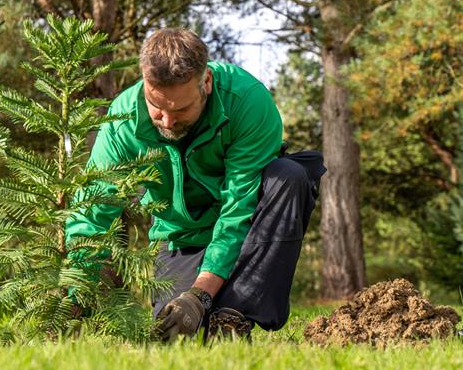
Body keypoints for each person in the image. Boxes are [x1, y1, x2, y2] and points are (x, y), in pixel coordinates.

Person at [66, 28, 325, 341]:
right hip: (183, 234)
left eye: (181, 109)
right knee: (174, 334)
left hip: (250, 227)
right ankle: (207, 314)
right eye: (157, 107)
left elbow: (238, 209)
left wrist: (201, 295)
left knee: (288, 177)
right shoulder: (122, 122)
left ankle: (234, 315)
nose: (167, 121)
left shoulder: (246, 101)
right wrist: (73, 293)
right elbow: (93, 209)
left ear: (206, 83)